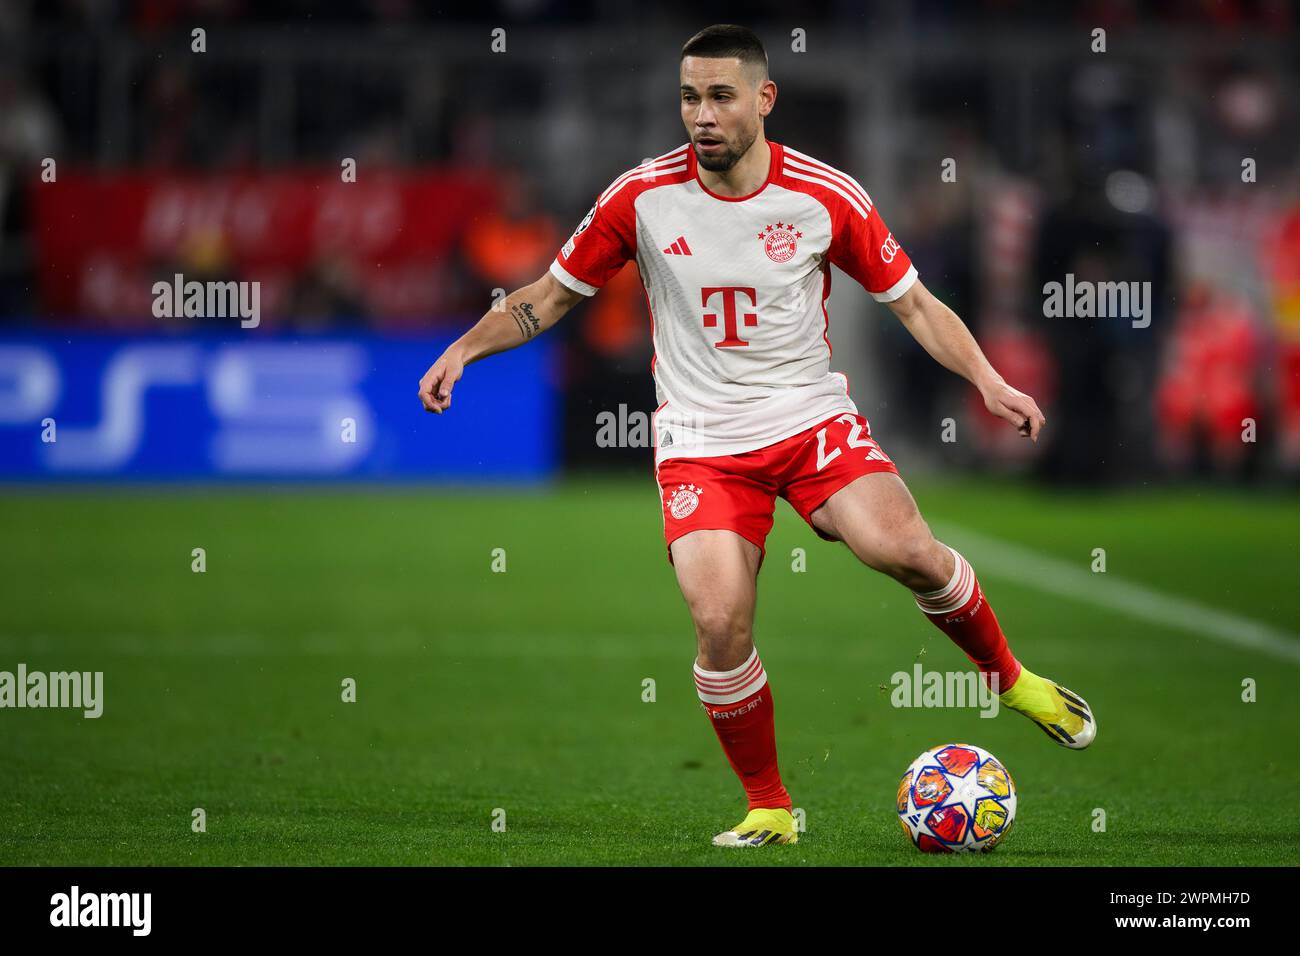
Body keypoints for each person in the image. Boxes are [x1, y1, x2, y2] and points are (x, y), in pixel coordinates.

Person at [418, 24, 1096, 849]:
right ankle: (770, 807)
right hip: (702, 440)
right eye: (689, 97)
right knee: (720, 622)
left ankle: (1013, 680)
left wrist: (988, 380)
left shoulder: (824, 196)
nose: (700, 116)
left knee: (905, 551)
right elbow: (552, 295)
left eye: (719, 96)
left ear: (763, 100)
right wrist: (463, 348)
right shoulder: (640, 196)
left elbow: (913, 303)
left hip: (809, 419)